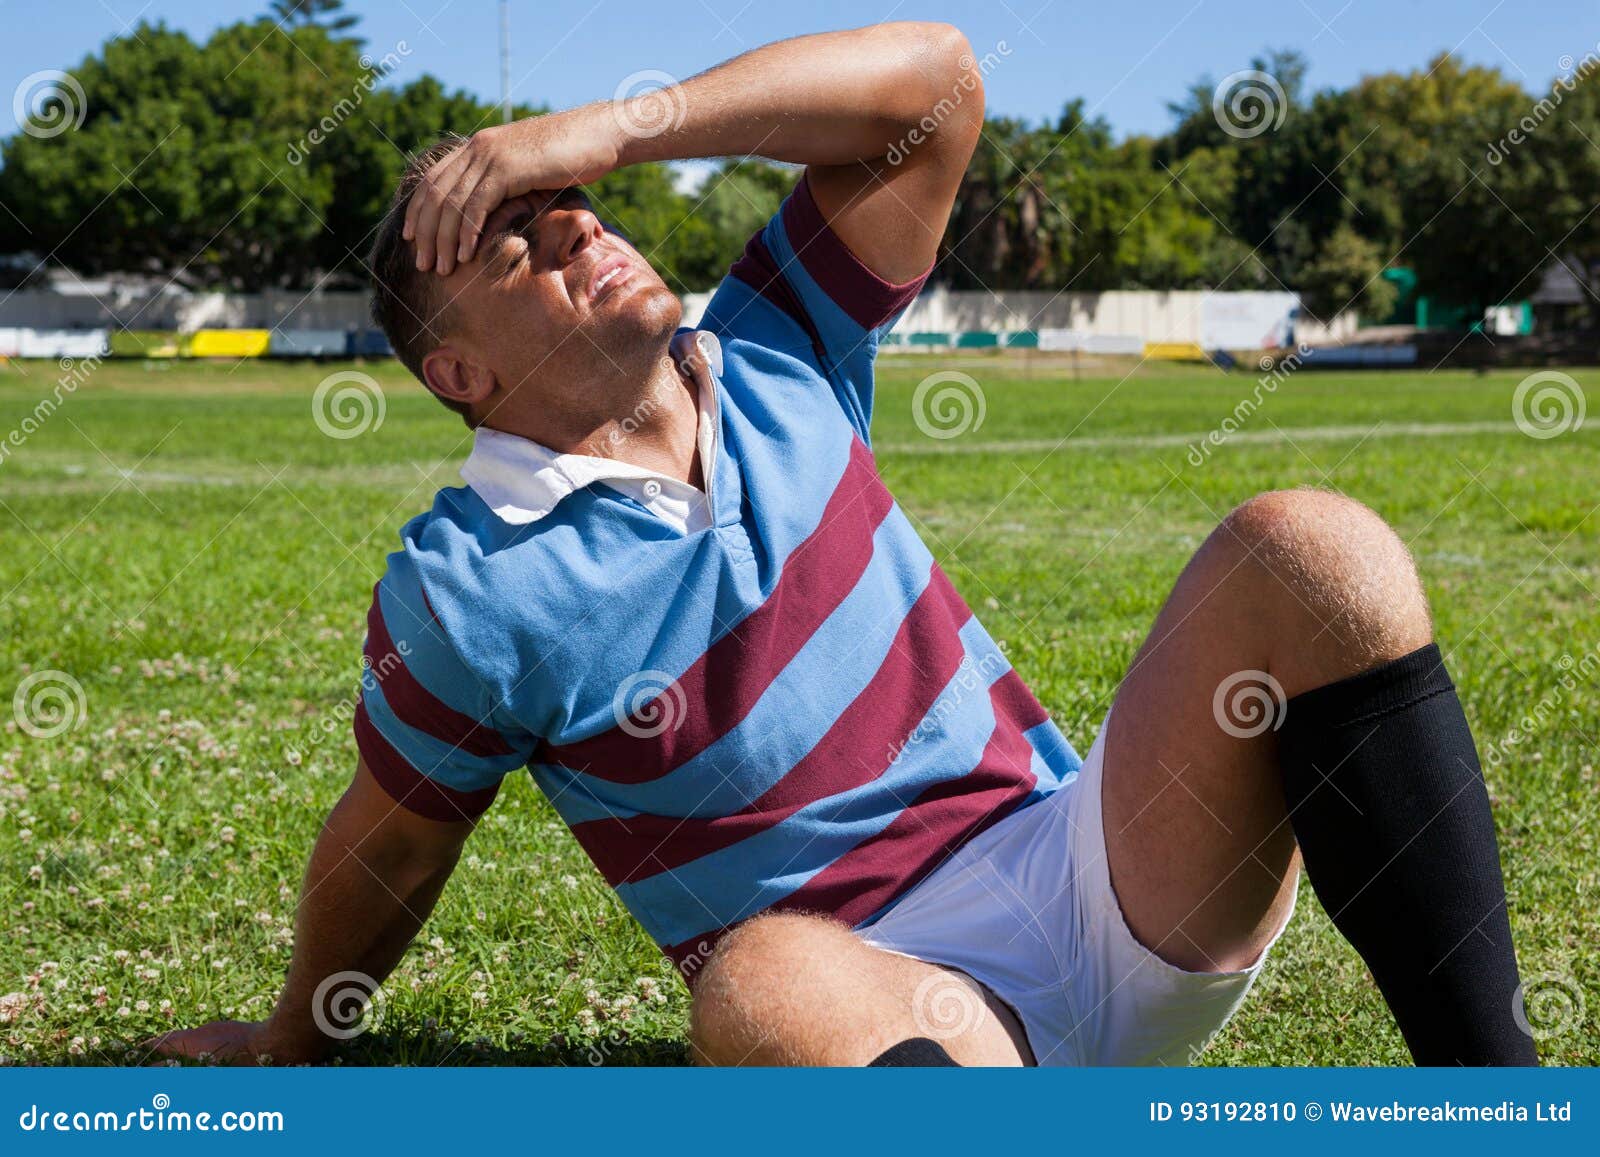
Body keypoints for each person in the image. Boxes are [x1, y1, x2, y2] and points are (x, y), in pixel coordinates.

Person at [152, 22, 1537, 1067]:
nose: (575, 220)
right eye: (512, 242)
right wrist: (291, 1042)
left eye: (570, 199)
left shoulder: (773, 341)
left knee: (1309, 550)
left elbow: (936, 82)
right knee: (755, 983)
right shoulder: (470, 583)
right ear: (456, 374)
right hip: (882, 994)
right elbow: (391, 847)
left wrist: (611, 129)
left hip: (1103, 876)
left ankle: (1496, 1103)